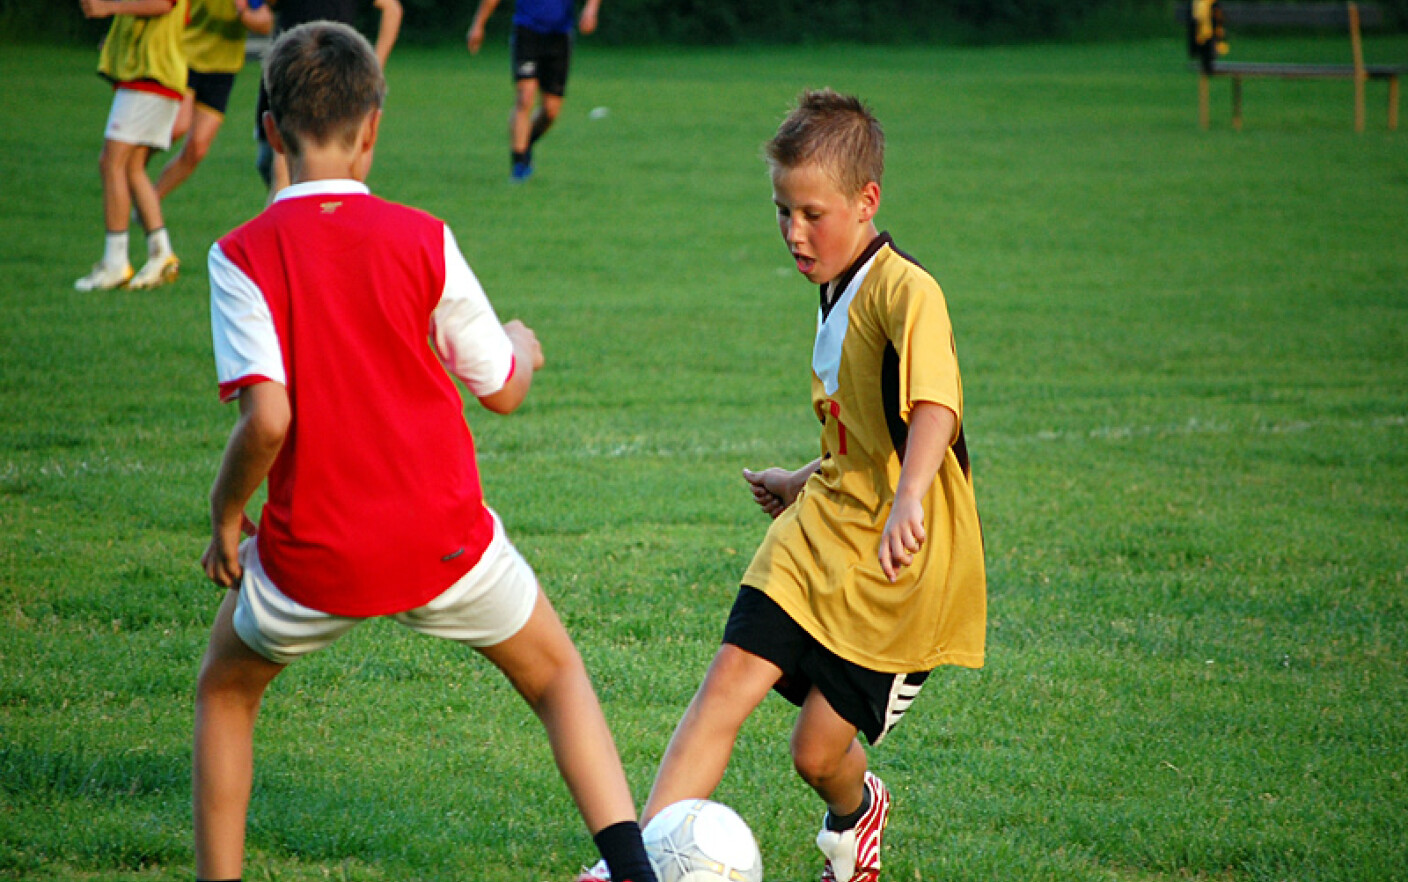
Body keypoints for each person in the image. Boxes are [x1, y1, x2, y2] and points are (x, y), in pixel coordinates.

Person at [193, 22, 656, 882]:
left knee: (226, 690)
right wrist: (523, 343)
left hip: (312, 557)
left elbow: (266, 420)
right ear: (373, 130)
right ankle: (633, 869)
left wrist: (227, 518)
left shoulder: (240, 257)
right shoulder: (422, 237)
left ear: (268, 130)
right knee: (555, 676)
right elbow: (504, 389)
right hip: (444, 541)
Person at [584, 89, 987, 882]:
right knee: (726, 682)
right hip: (821, 531)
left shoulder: (908, 290)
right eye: (781, 213)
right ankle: (633, 867)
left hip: (901, 570)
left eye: (812, 214)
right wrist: (801, 477)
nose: (794, 234)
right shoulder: (835, 286)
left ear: (867, 202)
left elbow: (934, 405)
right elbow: (862, 432)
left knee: (816, 753)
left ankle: (857, 809)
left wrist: (909, 497)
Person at [75, 0, 189, 292]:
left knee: (111, 162)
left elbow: (163, 4)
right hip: (154, 76)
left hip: (151, 76)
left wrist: (107, 7)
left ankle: (114, 262)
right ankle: (160, 252)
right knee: (132, 168)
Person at [251, 0, 402, 194]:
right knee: (271, 164)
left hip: (332, 77)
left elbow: (392, 9)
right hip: (289, 72)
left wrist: (374, 67)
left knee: (285, 172)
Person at [466, 0, 602, 182]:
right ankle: (519, 163)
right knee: (525, 97)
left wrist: (591, 9)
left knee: (551, 110)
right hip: (527, 31)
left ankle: (525, 142)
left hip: (559, 36)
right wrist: (478, 24)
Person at [154, 0, 274, 201]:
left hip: (223, 70)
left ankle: (149, 201)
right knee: (178, 127)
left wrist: (243, 12)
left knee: (197, 149)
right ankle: (131, 169)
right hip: (186, 58)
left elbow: (266, 23)